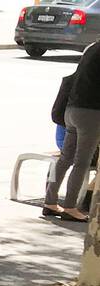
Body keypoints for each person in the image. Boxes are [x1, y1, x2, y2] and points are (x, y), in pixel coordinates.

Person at [44, 43, 100, 222]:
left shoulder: (92, 48)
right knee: (82, 162)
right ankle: (70, 207)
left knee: (65, 158)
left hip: (72, 109)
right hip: (91, 113)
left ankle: (50, 202)